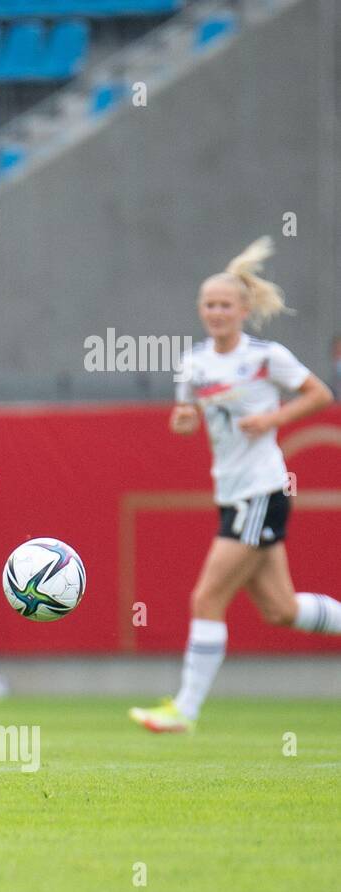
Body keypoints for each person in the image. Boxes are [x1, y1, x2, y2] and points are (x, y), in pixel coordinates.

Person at [129, 237, 336, 734]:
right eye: (209, 305)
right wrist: (182, 420)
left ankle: (185, 709)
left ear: (244, 309)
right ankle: (186, 708)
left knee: (205, 598)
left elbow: (320, 394)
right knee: (280, 610)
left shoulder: (266, 357)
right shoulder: (195, 363)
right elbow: (186, 418)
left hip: (262, 490)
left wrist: (273, 419)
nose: (216, 312)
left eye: (225, 304)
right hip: (232, 492)